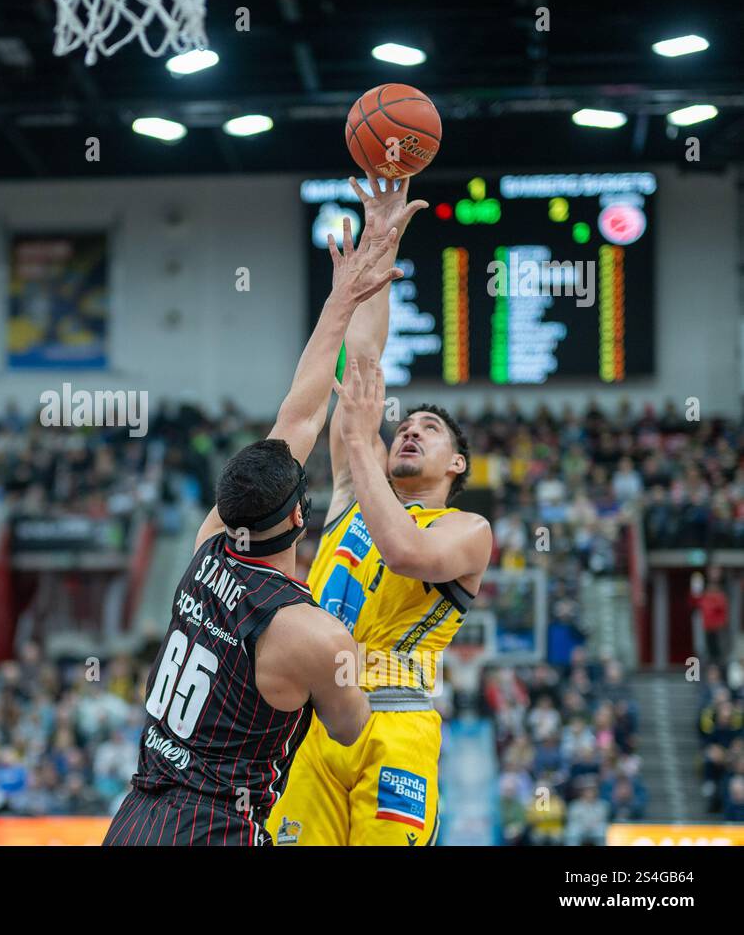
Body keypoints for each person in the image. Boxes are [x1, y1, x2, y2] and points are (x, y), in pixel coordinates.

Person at [104, 209, 405, 845]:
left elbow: (297, 418)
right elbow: (352, 728)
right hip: (213, 829)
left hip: (134, 820)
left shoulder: (207, 547)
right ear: (299, 516)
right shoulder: (312, 634)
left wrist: (342, 298)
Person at [269, 174, 492, 847]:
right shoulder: (353, 492)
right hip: (311, 723)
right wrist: (382, 238)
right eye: (406, 424)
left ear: (457, 465)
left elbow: (404, 552)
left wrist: (365, 440)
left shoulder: (466, 530)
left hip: (396, 722)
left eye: (430, 429)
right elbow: (363, 358)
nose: (411, 431)